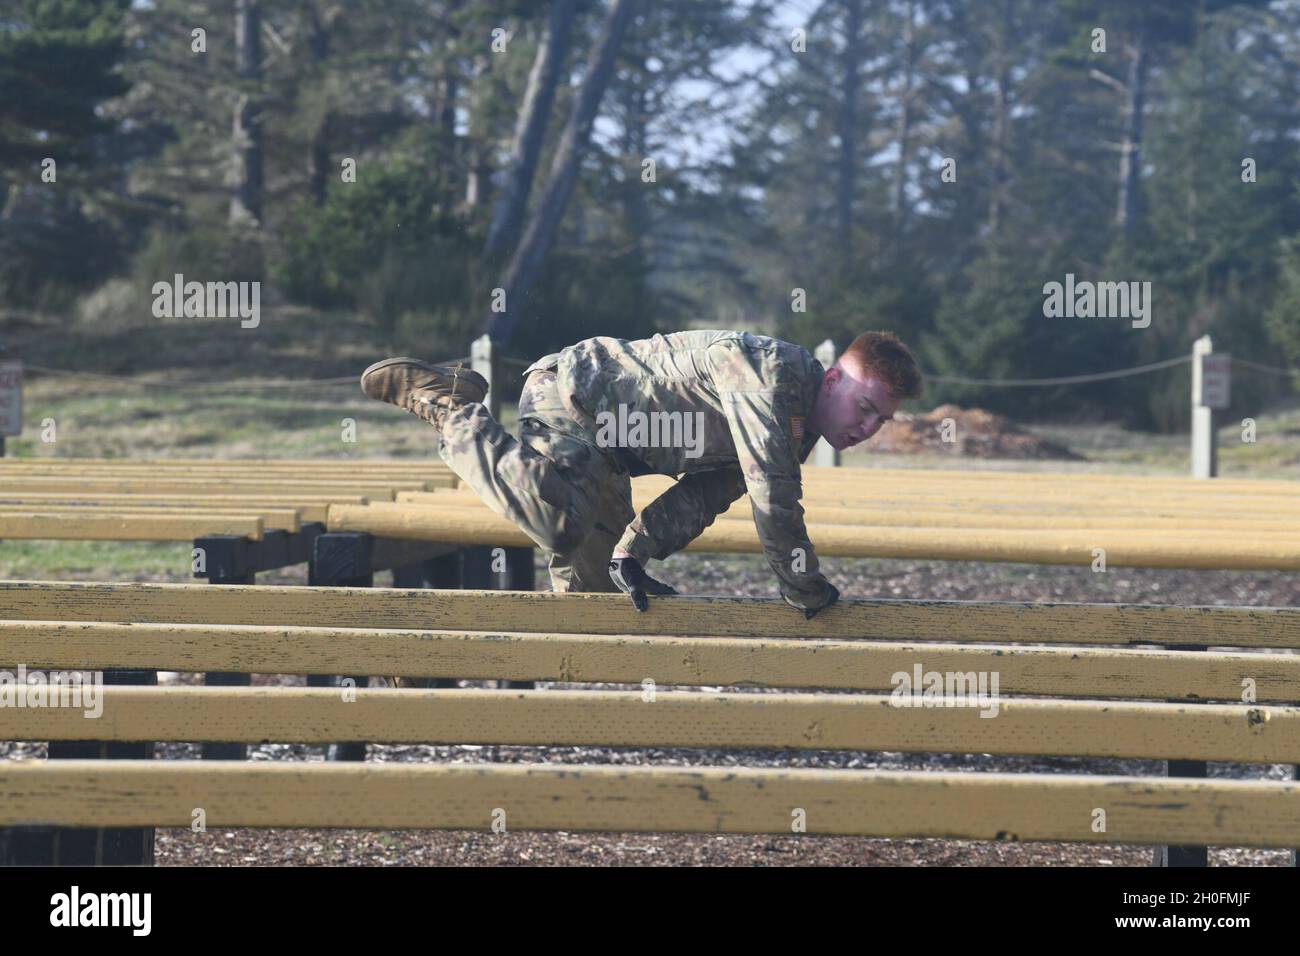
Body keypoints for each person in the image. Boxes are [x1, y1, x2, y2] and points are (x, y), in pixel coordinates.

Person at [360, 329, 923, 617]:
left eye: (883, 419)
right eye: (865, 407)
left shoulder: (795, 433)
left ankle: (555, 740)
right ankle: (449, 406)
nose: (868, 427)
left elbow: (705, 495)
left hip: (611, 453)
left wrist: (635, 548)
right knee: (559, 523)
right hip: (575, 398)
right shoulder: (769, 376)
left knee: (595, 605)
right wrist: (806, 592)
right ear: (831, 382)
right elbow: (771, 499)